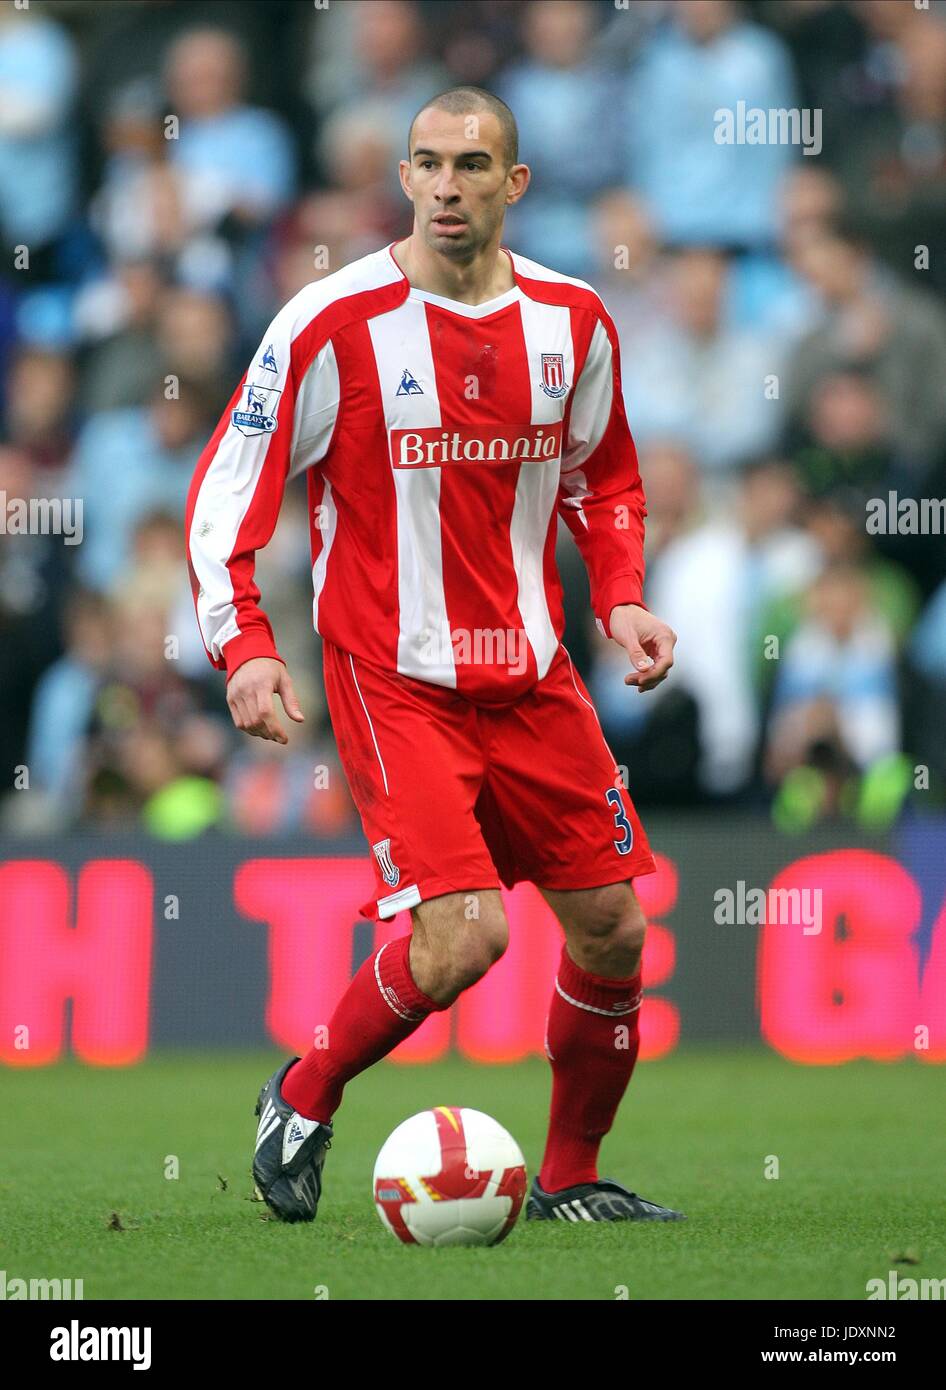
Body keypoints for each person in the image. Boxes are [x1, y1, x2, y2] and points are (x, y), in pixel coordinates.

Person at [185, 86, 682, 1227]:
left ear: (514, 185)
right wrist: (246, 647)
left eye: (471, 165)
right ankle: (301, 1096)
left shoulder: (572, 322)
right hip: (393, 674)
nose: (446, 186)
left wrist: (621, 599)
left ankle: (569, 1177)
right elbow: (227, 492)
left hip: (535, 678)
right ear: (402, 178)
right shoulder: (329, 322)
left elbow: (603, 480)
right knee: (464, 939)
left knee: (612, 926)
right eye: (426, 164)